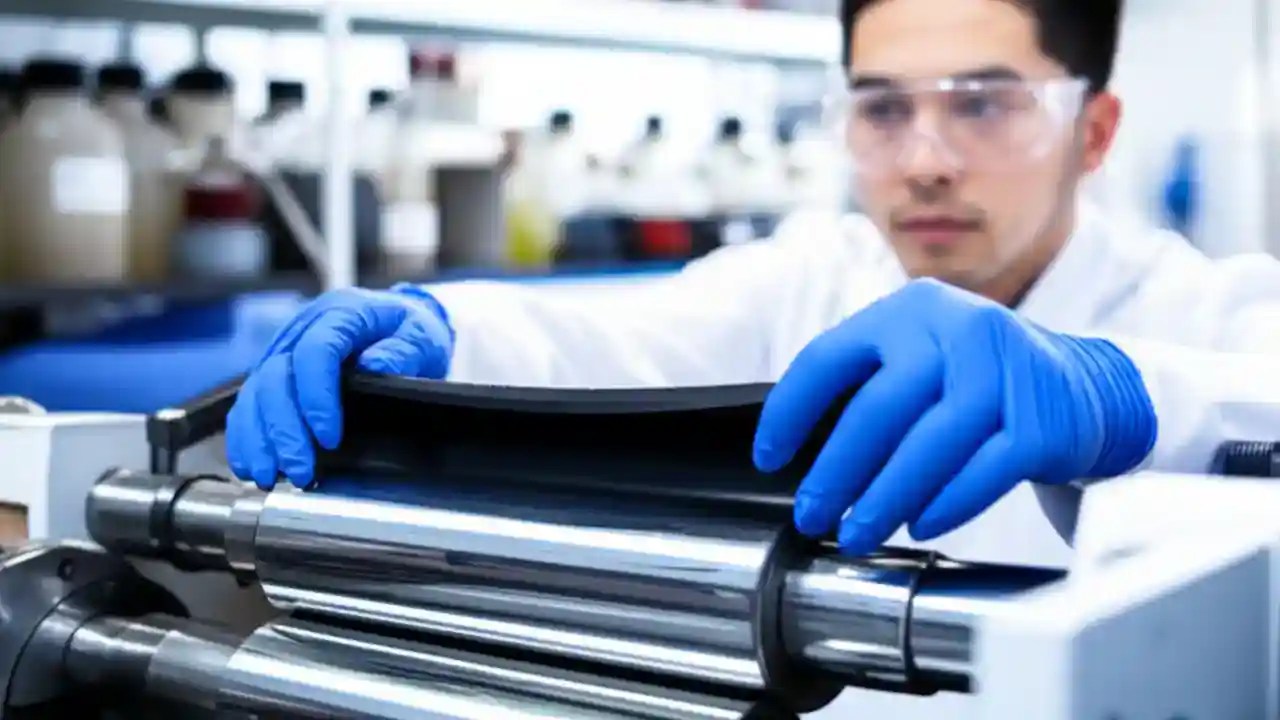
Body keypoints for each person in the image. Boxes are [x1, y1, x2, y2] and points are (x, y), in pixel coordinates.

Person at [227, 0, 1280, 558]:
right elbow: (623, 339)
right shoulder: (811, 278)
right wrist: (440, 328)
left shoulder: (1204, 310)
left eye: (982, 105)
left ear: (1093, 132)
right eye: (882, 109)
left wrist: (1121, 398)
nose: (923, 161)